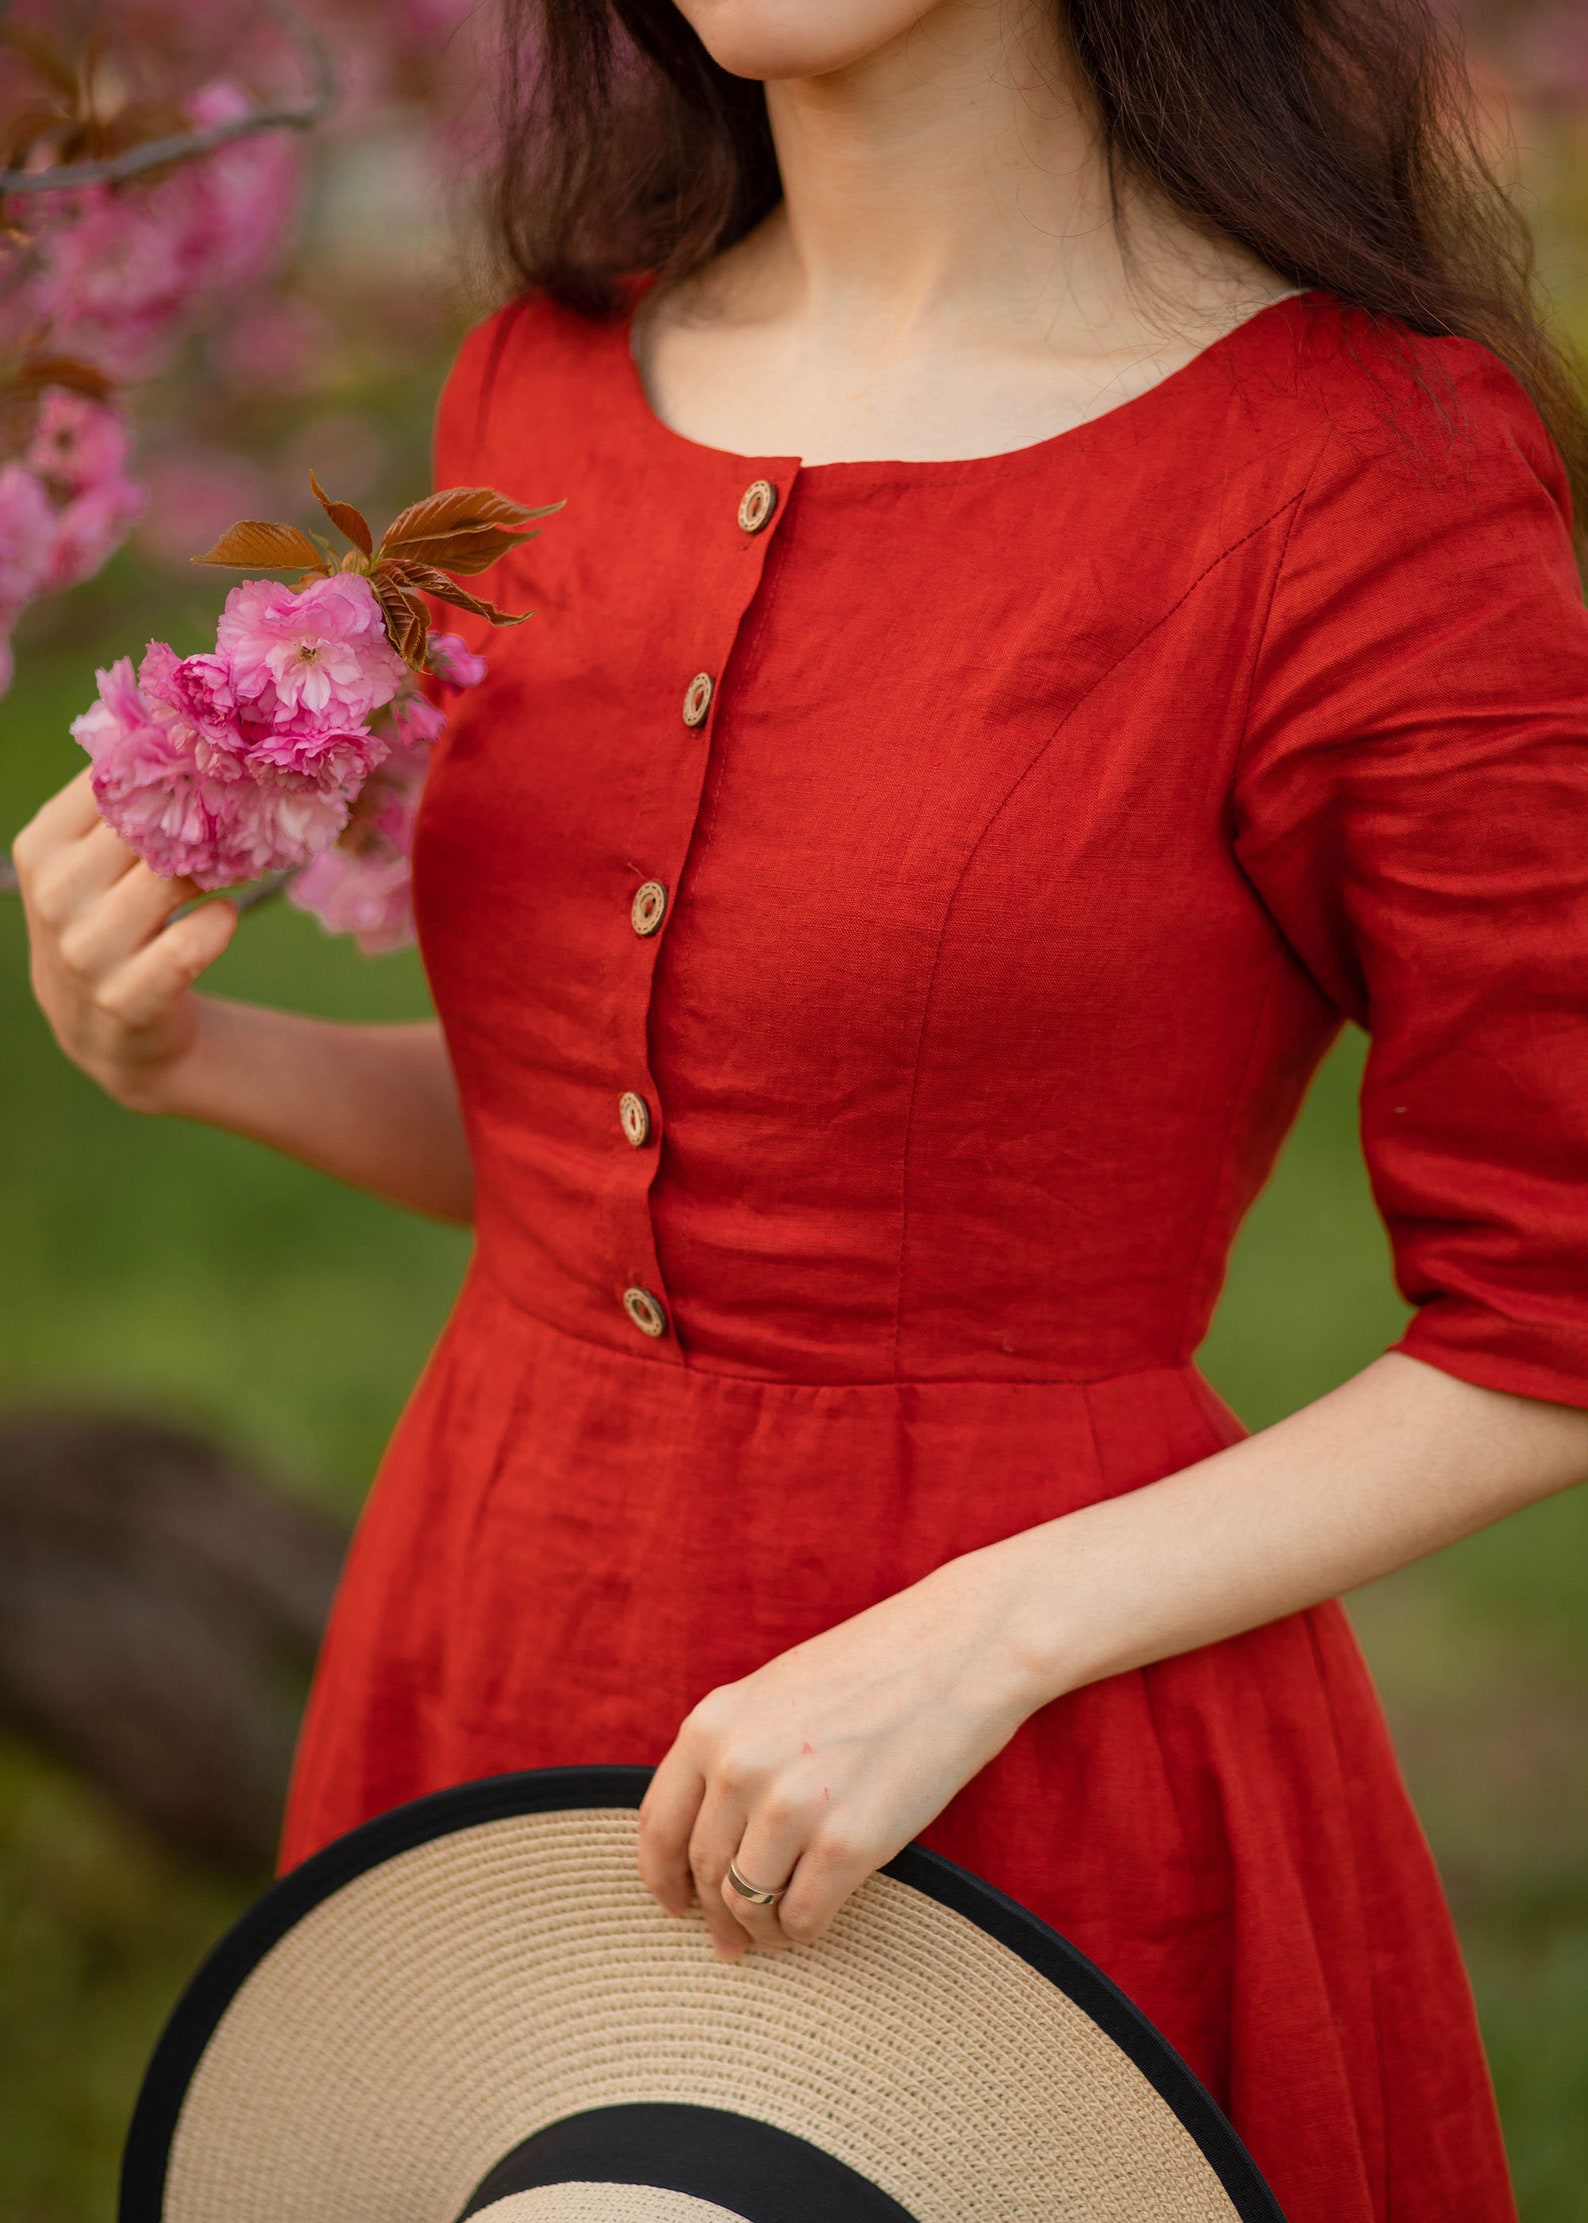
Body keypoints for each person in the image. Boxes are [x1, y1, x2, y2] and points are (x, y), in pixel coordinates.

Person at [15, 2, 1588, 2216]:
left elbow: (1546, 1325)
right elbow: (624, 1150)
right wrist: (192, 1055)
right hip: (492, 1645)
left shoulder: (1359, 466)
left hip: (1021, 1758)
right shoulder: (532, 390)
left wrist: (981, 1637)